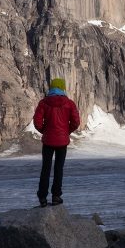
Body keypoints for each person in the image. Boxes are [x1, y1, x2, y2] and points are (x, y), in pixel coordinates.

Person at [32, 77, 80, 207]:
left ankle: (42, 198)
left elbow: (37, 122)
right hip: (62, 142)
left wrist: (45, 131)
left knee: (45, 169)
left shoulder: (43, 103)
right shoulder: (69, 103)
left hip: (48, 141)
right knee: (59, 169)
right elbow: (76, 122)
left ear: (52, 88)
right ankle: (56, 196)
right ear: (62, 88)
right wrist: (66, 131)